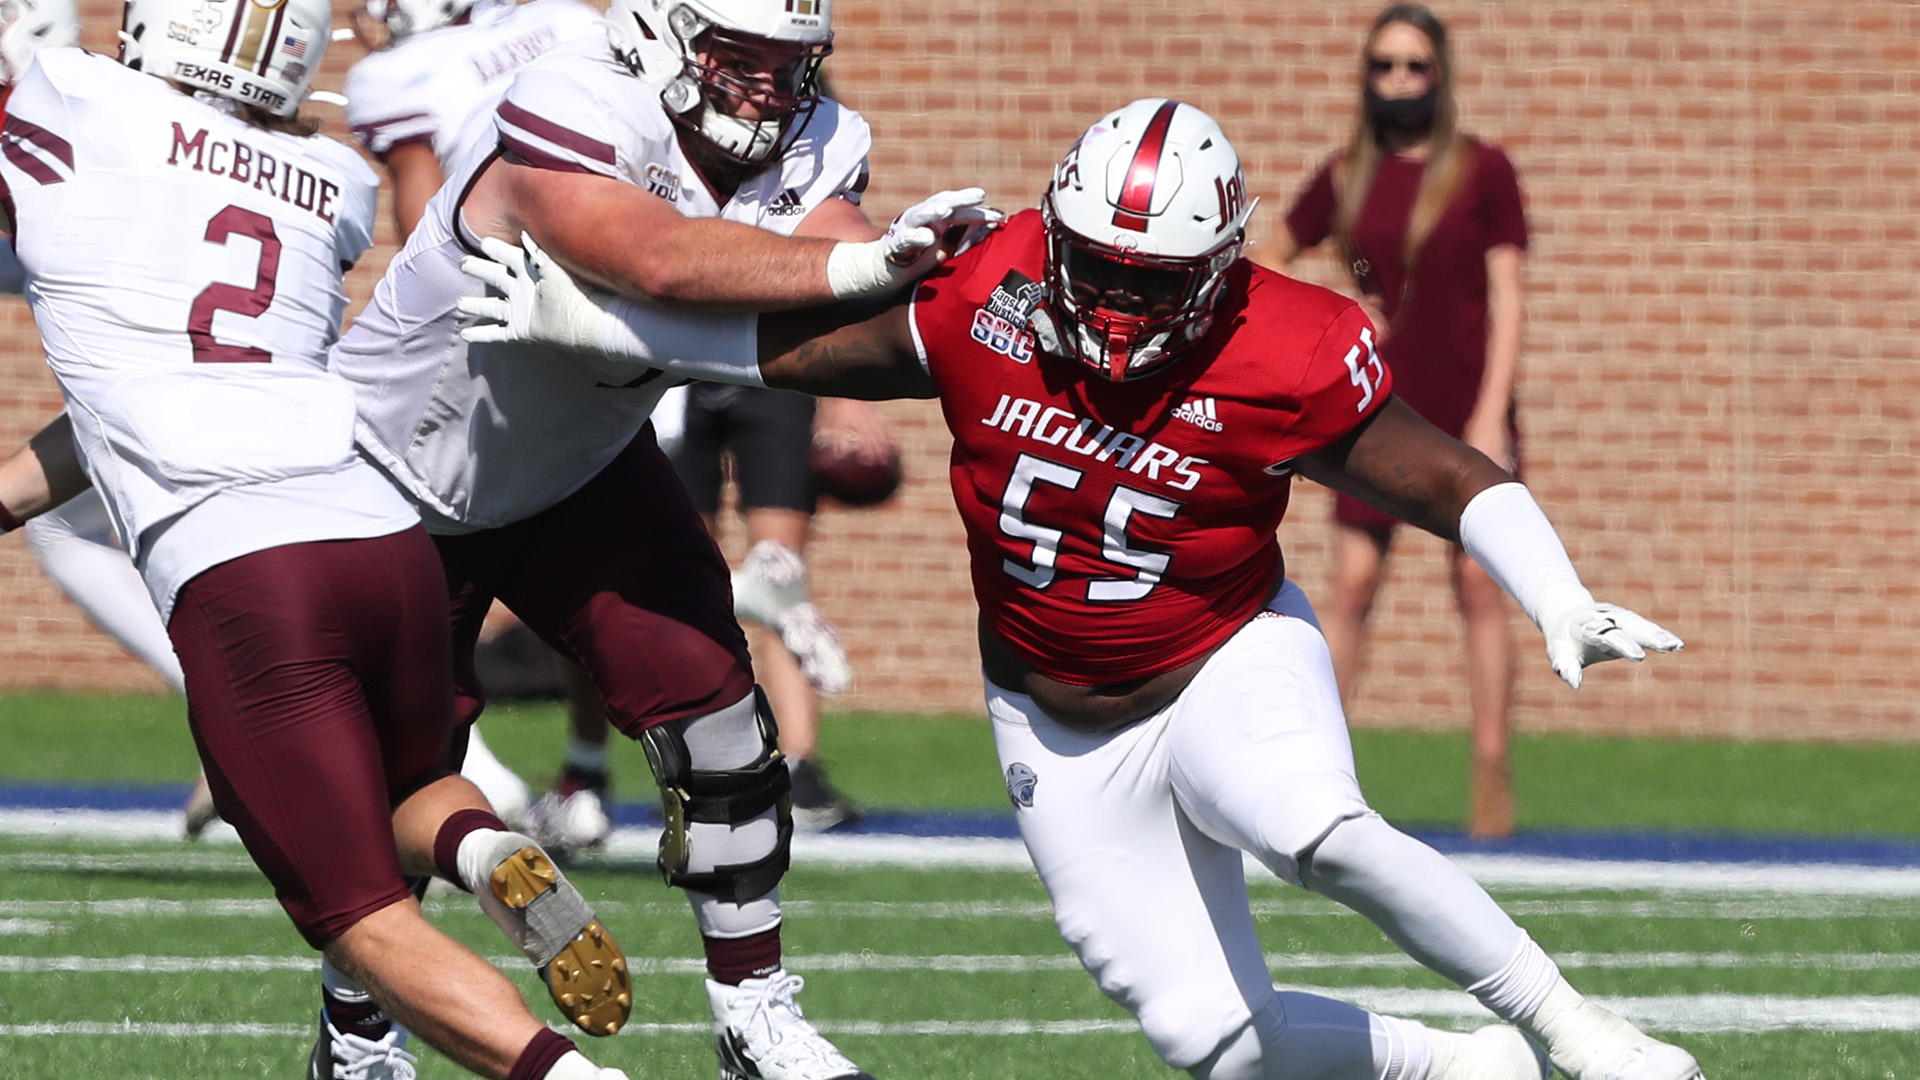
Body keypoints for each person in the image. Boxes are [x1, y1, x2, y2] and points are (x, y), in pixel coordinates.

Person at [461, 98, 1703, 1080]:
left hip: (1222, 654)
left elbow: (1443, 474)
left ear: (1218, 267)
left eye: (1151, 281)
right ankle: (1456, 1066)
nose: (1113, 305)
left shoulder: (1285, 343)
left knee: (1307, 823)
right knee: (1209, 1041)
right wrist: (601, 331)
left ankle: (1578, 1031)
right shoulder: (990, 294)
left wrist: (1555, 592)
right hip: (1050, 718)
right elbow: (795, 349)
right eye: (1096, 266)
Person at [325, 0, 992, 1075]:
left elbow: (842, 286)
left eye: (792, 68)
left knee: (720, 715)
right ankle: (359, 1040)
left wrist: (947, 274)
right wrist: (875, 272)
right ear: (660, 33)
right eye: (741, 61)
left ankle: (755, 1015)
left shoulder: (826, 140)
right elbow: (665, 262)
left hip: (581, 467)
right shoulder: (575, 90)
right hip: (399, 473)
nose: (770, 96)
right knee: (404, 769)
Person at [0, 6, 633, 1079]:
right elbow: (141, 381)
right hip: (381, 543)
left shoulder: (77, 107)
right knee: (399, 803)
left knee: (361, 923)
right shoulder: (324, 177)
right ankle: (484, 849)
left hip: (249, 568)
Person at [1272, 3, 1528, 838]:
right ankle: (1321, 774)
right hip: (1371, 406)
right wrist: (1336, 300)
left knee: (1481, 584)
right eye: (1384, 66)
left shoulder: (1483, 171)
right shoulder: (1348, 174)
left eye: (1416, 66)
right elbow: (1269, 258)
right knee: (1351, 583)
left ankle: (1491, 775)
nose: (1400, 82)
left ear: (1440, 74)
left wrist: (1492, 413)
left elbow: (1508, 296)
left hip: (1464, 405)